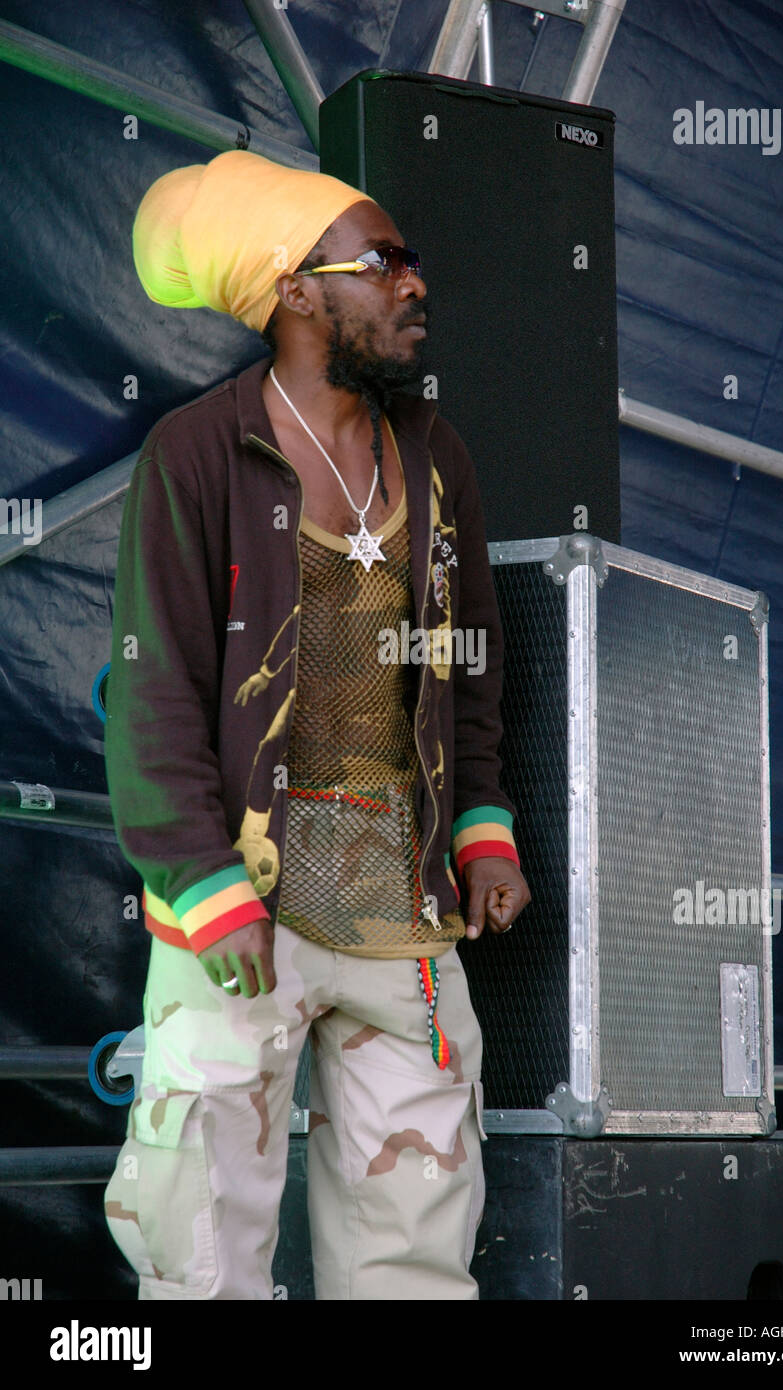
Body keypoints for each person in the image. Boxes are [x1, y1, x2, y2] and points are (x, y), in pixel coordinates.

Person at [102, 149, 530, 1301]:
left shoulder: (435, 456)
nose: (414, 282)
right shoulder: (195, 453)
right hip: (243, 901)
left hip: (403, 897)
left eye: (412, 261)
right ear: (295, 288)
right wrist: (203, 883)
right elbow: (152, 690)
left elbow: (466, 666)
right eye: (383, 262)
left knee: (415, 1240)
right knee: (201, 1242)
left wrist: (482, 828)